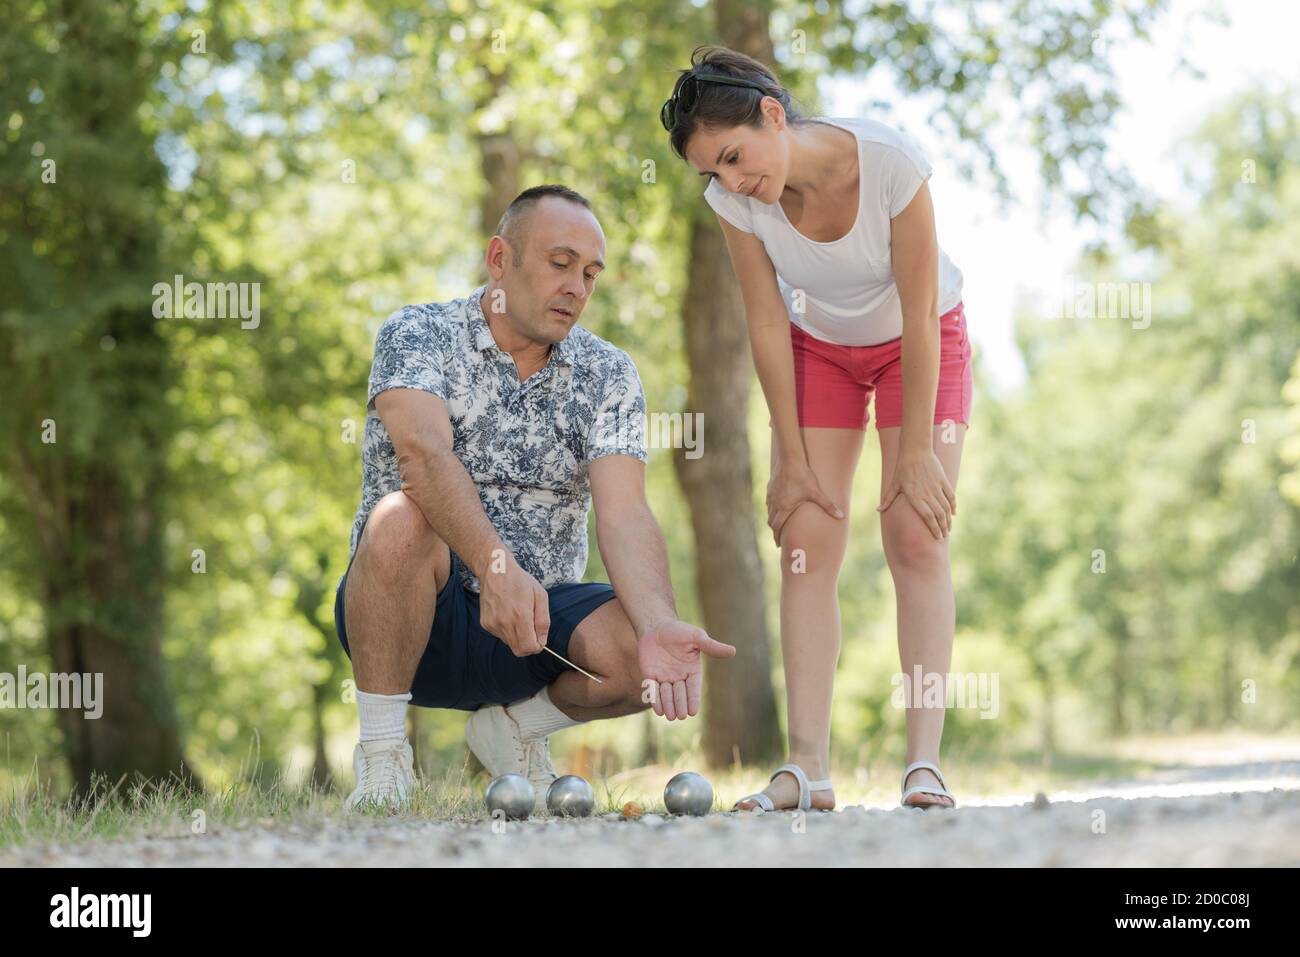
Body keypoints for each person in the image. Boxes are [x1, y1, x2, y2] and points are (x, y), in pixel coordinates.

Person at [335, 184, 735, 811]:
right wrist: (496, 567)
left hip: (534, 633)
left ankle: (517, 730)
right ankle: (384, 765)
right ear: (500, 260)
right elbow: (423, 457)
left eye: (590, 273)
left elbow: (625, 512)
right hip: (411, 616)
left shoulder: (608, 373)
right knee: (399, 517)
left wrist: (657, 624)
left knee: (644, 645)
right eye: (560, 263)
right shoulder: (418, 333)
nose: (577, 286)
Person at [661, 47, 972, 810]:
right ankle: (807, 768)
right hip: (819, 351)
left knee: (915, 532)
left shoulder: (893, 163)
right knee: (804, 539)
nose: (731, 181)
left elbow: (920, 310)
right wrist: (789, 458)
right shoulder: (736, 203)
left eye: (733, 157)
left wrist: (916, 452)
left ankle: (923, 763)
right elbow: (767, 323)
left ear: (773, 113)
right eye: (714, 172)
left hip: (920, 340)